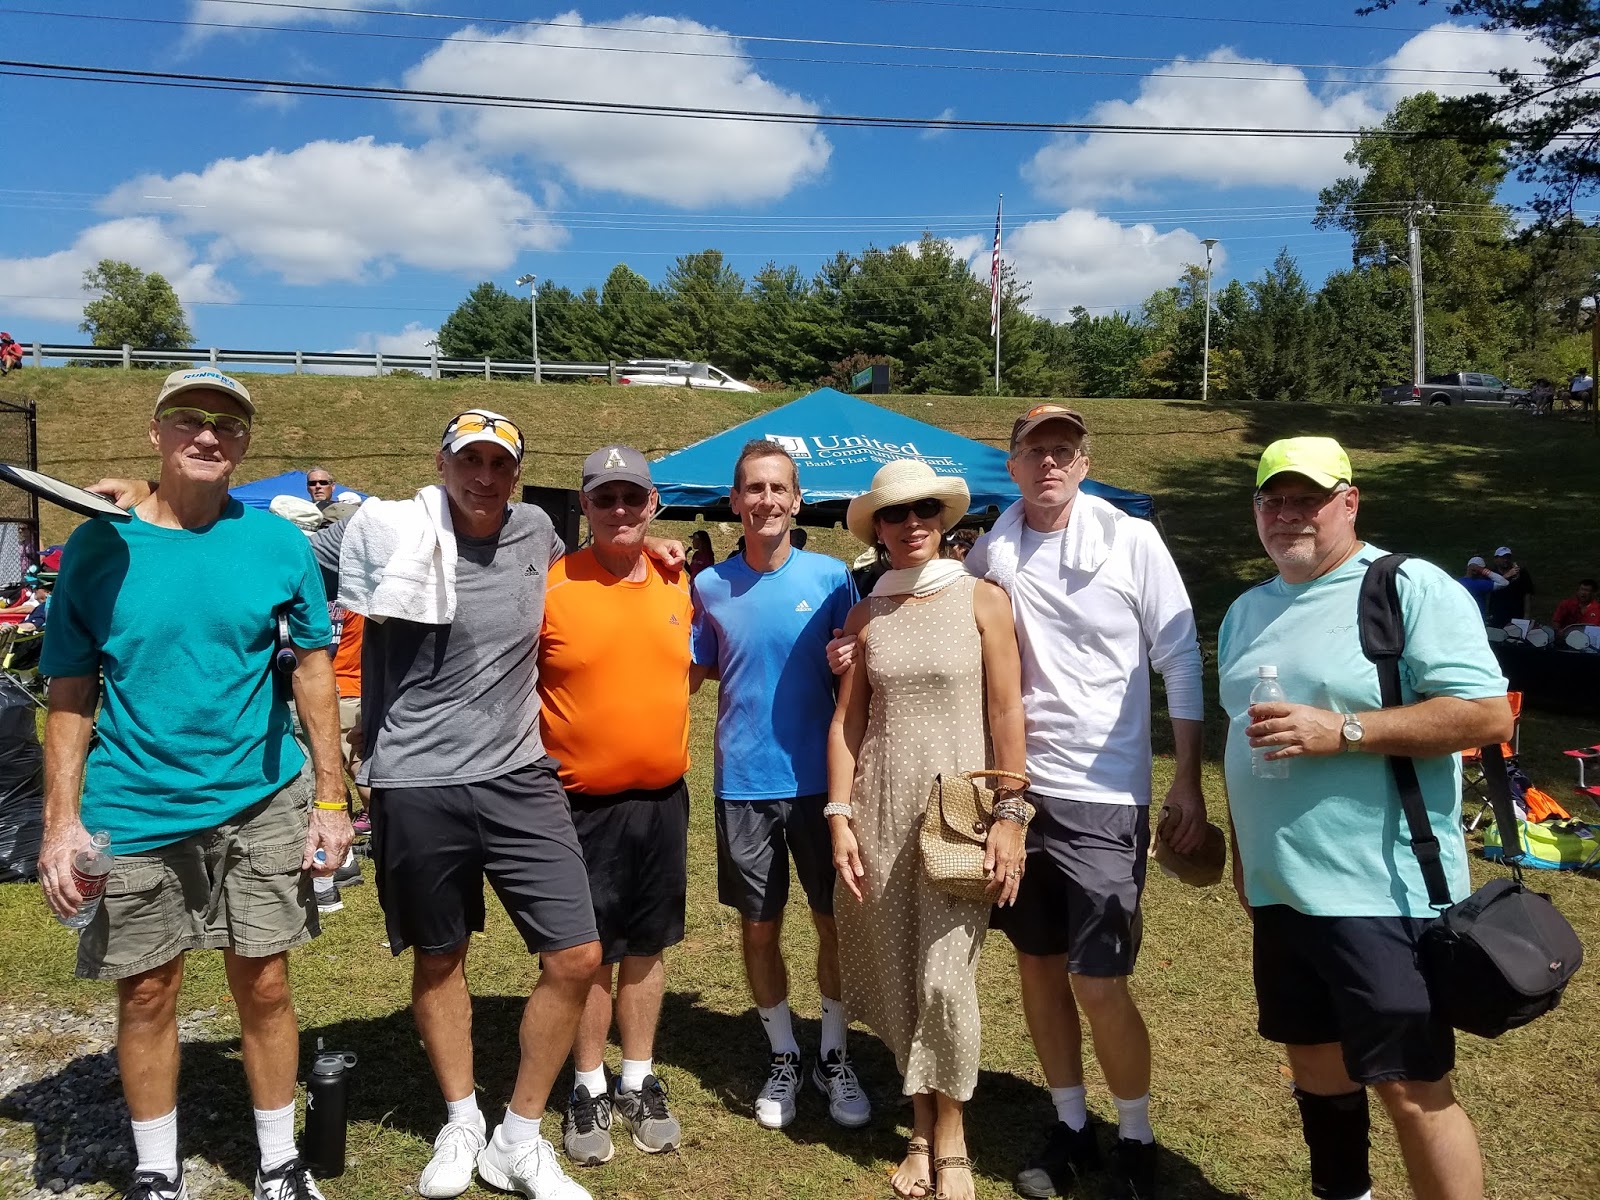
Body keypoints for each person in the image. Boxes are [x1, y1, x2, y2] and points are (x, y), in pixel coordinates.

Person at [828, 403, 1206, 1200]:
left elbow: (1177, 651)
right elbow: (886, 666)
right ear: (1014, 462)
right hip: (994, 798)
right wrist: (854, 646)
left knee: (1096, 979)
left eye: (1064, 450)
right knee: (1036, 968)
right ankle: (1069, 1123)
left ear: (1084, 457)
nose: (1050, 464)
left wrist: (1187, 776)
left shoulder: (1130, 540)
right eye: (1035, 451)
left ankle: (1133, 1135)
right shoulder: (997, 547)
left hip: (1096, 790)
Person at [38, 368, 350, 1200]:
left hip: (262, 796)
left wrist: (330, 797)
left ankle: (280, 1162)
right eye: (188, 419)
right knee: (146, 989)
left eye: (227, 423)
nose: (208, 435)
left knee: (268, 978)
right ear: (157, 433)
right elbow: (69, 690)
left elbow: (314, 669)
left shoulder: (278, 543)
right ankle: (155, 1168)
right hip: (136, 804)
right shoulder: (100, 547)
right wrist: (59, 823)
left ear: (244, 442)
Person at [1219, 436, 1511, 1200]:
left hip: (1385, 891)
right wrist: (1250, 859)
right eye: (1272, 500)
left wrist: (1343, 730)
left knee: (1412, 1088)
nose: (1289, 515)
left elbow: (1486, 717)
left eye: (1307, 499)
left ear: (1348, 502)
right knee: (1316, 1066)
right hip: (1284, 891)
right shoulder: (1247, 611)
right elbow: (1244, 741)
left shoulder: (1404, 585)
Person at [826, 460, 1027, 1200]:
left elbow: (1007, 713)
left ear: (944, 522)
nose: (910, 525)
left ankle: (952, 1141)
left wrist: (1011, 814)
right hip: (877, 810)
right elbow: (847, 724)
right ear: (876, 528)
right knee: (901, 975)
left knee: (948, 979)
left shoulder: (982, 600)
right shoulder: (864, 613)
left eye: (924, 512)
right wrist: (839, 816)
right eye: (895, 514)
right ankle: (918, 1125)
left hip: (956, 816)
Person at [690, 439, 870, 1132]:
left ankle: (832, 1052)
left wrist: (847, 659)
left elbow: (854, 681)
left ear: (797, 501)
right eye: (752, 489)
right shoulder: (708, 588)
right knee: (759, 930)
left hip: (821, 787)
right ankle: (784, 1053)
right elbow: (690, 671)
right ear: (735, 501)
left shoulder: (830, 580)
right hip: (742, 784)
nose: (766, 500)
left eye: (778, 489)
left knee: (834, 924)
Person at [538, 445, 692, 1167]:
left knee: (649, 944)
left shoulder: (677, 577)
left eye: (634, 498)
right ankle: (589, 1083)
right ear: (586, 507)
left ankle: (639, 1075)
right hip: (579, 805)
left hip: (663, 798)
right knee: (590, 952)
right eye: (606, 499)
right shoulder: (552, 583)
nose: (622, 511)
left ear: (653, 504)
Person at [1486, 546, 1534, 626]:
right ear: (1496, 559)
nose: (1506, 560)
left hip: (1517, 614)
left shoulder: (1522, 573)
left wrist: (1526, 615)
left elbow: (1527, 594)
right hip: (1497, 614)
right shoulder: (1491, 574)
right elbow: (1488, 589)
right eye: (1502, 558)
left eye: (1508, 557)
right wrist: (1508, 575)